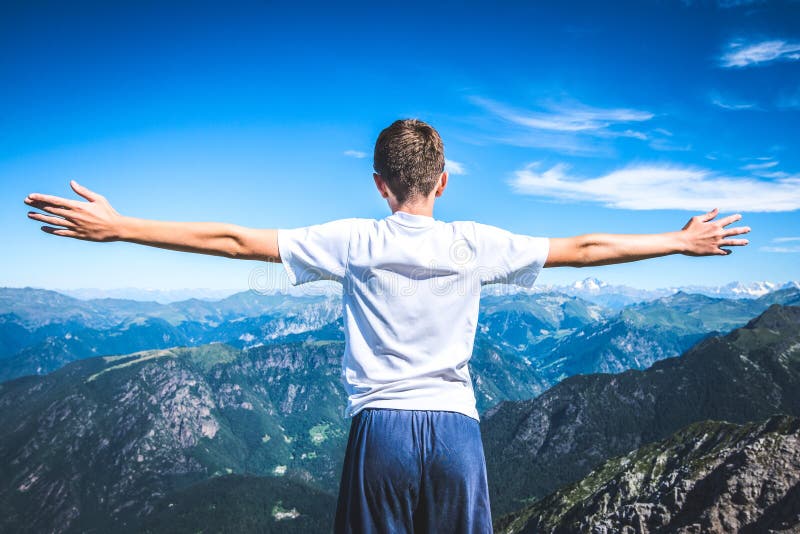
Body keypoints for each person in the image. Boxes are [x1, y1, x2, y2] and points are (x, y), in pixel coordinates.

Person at [23, 118, 750, 533]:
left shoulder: (354, 240)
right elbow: (587, 248)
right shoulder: (476, 242)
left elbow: (235, 240)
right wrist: (680, 241)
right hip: (458, 431)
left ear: (378, 184)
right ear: (443, 181)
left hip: (381, 433)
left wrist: (121, 228)